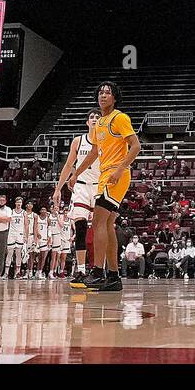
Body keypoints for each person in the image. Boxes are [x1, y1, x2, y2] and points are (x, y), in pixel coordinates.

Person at [68, 82, 141, 292]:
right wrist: (76, 172)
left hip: (116, 175)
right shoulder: (99, 124)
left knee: (98, 220)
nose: (103, 95)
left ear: (115, 98)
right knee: (107, 225)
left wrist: (119, 170)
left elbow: (136, 146)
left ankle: (98, 271)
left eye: (107, 93)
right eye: (100, 92)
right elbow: (93, 154)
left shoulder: (120, 118)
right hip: (104, 175)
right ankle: (113, 276)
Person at [53, 110, 100, 288]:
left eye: (97, 118)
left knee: (98, 231)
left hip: (98, 186)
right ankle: (80, 270)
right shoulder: (78, 141)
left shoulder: (105, 141)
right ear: (87, 122)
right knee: (80, 228)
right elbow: (68, 165)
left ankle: (97, 269)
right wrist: (58, 189)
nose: (94, 119)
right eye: (92, 118)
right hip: (80, 185)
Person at [4, 194, 27, 279]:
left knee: (18, 254)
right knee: (9, 253)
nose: (19, 204)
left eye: (20, 202)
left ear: (22, 203)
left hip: (20, 234)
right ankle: (6, 273)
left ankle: (17, 273)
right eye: (17, 202)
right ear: (15, 203)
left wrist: (25, 236)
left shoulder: (24, 212)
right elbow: (7, 222)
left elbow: (26, 225)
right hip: (11, 233)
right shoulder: (11, 212)